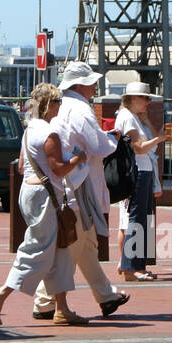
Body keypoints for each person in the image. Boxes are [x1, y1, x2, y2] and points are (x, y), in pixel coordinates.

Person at [0, 84, 90, 326]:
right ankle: (0, 294)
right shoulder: (50, 134)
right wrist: (78, 158)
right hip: (44, 195)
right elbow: (59, 169)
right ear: (48, 105)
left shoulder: (30, 130)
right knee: (38, 249)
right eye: (58, 101)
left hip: (29, 192)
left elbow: (21, 167)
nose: (60, 105)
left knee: (60, 248)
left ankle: (62, 308)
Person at [31, 61, 131, 320]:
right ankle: (44, 300)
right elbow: (98, 146)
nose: (95, 85)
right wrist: (114, 138)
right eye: (91, 82)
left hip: (66, 182)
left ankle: (105, 295)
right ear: (82, 85)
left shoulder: (63, 107)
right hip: (80, 183)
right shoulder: (80, 109)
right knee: (74, 243)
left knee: (85, 242)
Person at [115, 81, 168, 281]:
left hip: (144, 171)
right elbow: (139, 147)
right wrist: (159, 139)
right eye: (145, 98)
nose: (148, 102)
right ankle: (130, 267)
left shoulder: (134, 118)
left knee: (143, 219)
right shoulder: (127, 118)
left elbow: (149, 143)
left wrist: (148, 122)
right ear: (133, 99)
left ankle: (138, 265)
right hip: (136, 172)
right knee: (136, 219)